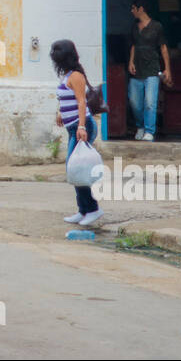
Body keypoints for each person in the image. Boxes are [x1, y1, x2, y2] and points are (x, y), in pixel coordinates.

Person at [53, 39, 104, 231]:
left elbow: (81, 102)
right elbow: (68, 98)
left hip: (81, 127)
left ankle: (92, 209)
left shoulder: (76, 76)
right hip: (72, 126)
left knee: (76, 168)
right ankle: (83, 210)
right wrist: (61, 113)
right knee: (75, 169)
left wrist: (81, 126)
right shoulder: (68, 75)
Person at [127, 0, 172, 142]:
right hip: (136, 70)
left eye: (134, 8)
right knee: (134, 102)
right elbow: (134, 45)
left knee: (150, 102)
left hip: (152, 69)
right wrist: (130, 61)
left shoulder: (156, 26)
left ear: (141, 9)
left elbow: (163, 48)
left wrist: (167, 69)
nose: (132, 11)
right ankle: (140, 126)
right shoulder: (134, 26)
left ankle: (149, 131)